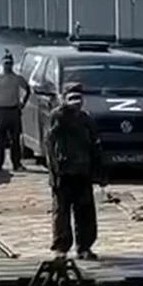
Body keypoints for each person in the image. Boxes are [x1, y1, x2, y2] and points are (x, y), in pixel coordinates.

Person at [46, 83, 105, 260]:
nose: (76, 103)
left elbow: (96, 146)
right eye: (71, 99)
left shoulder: (86, 119)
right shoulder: (58, 117)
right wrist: (53, 172)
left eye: (78, 99)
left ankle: (84, 247)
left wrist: (100, 172)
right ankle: (61, 248)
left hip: (83, 172)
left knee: (85, 212)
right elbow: (49, 145)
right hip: (63, 173)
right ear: (64, 99)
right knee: (61, 213)